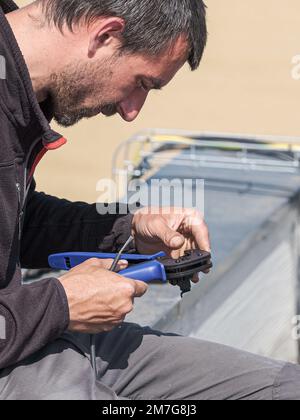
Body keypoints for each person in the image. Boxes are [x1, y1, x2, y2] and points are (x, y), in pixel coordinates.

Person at [0, 0, 299, 400]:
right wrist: (61, 303)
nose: (131, 112)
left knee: (283, 388)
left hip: (39, 334)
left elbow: (17, 224)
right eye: (142, 83)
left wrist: (129, 231)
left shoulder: (20, 89)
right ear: (105, 34)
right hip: (22, 351)